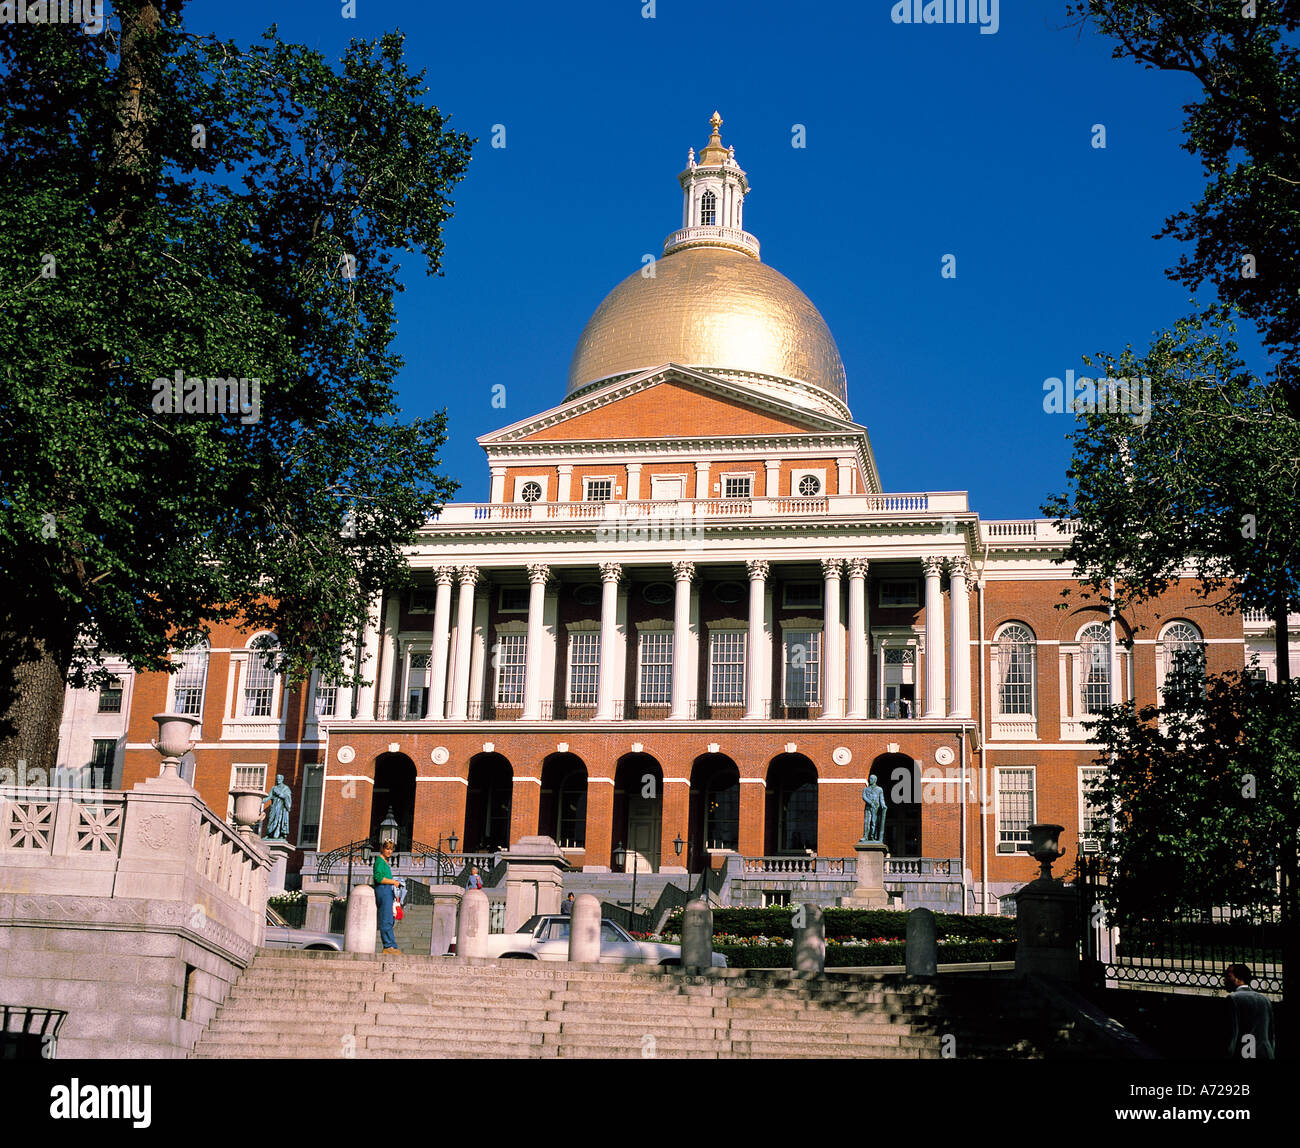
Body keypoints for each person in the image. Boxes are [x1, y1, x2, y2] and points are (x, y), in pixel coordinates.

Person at [1224, 964, 1275, 1059]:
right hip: (1265, 1053)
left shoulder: (1233, 999)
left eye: (1228, 976)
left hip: (1245, 1053)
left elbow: (1232, 1032)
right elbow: (1271, 1034)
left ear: (1238, 978)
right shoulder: (1265, 999)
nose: (1224, 980)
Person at [373, 841, 401, 955]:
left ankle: (392, 945)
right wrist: (393, 882)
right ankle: (388, 946)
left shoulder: (385, 861)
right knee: (386, 918)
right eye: (387, 849)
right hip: (383, 890)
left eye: (391, 849)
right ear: (382, 849)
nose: (389, 851)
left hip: (387, 890)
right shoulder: (379, 861)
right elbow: (378, 878)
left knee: (389, 918)